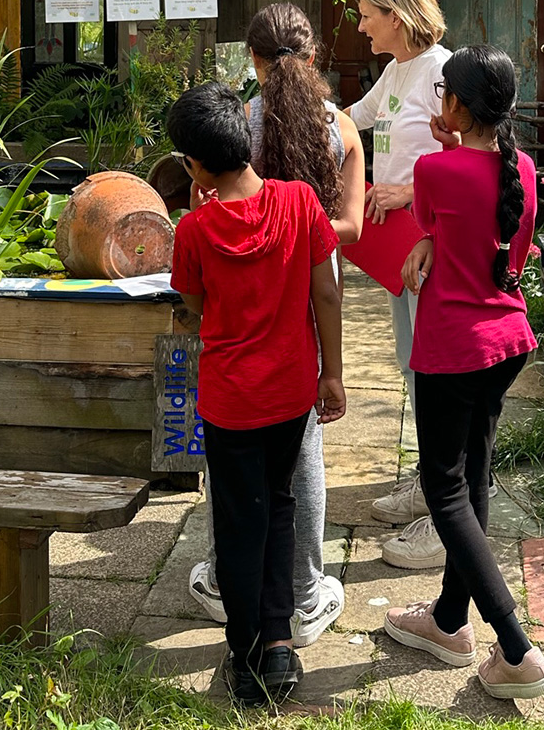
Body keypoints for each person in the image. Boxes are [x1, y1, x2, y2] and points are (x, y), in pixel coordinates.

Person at [382, 45, 544, 700]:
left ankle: (516, 648)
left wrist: (428, 226)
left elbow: (430, 218)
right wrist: (435, 235)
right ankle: (450, 622)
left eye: (442, 96)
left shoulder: (435, 170)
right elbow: (499, 238)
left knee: (444, 488)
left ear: (454, 106)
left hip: (453, 345)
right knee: (473, 475)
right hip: (508, 340)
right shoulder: (526, 170)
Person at [188, 2, 364, 646]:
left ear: (253, 61)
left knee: (235, 462)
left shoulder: (239, 124)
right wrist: (303, 228)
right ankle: (306, 588)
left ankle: (227, 581)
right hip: (312, 280)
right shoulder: (340, 127)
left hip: (246, 282)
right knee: (301, 448)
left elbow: (215, 203)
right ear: (312, 56)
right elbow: (352, 228)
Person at [168, 82, 347, 706]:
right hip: (292, 392)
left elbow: (193, 305)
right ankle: (278, 646)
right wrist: (334, 373)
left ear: (194, 165)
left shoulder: (192, 231)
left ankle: (242, 655)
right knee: (281, 510)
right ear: (249, 144)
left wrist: (201, 209)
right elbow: (326, 293)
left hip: (229, 400)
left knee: (237, 523)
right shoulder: (299, 203)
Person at [344, 0, 491, 569]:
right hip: (398, 242)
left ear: (397, 16)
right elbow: (353, 117)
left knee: (440, 374)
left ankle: (446, 510)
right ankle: (431, 479)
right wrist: (297, 113)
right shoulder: (396, 70)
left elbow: (471, 152)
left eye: (368, 16)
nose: (361, 27)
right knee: (411, 363)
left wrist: (405, 193)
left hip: (435, 242)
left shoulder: (446, 74)